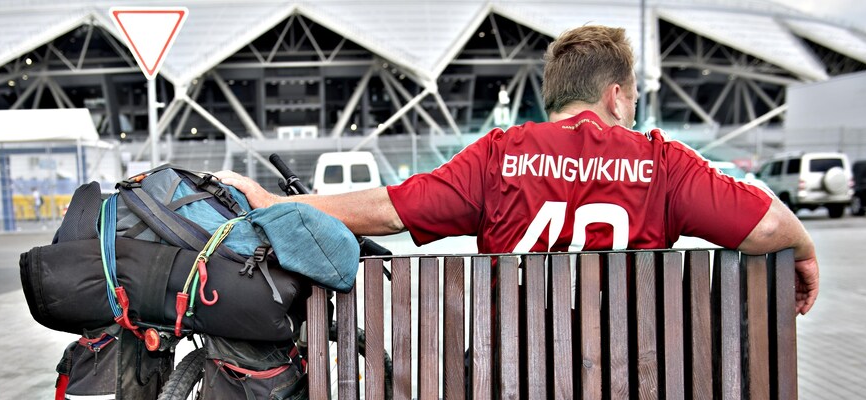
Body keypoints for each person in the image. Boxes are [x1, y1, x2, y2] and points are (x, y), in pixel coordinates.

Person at [217, 25, 819, 315]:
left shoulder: (499, 157)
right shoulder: (661, 164)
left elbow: (386, 211)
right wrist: (807, 251)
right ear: (615, 96)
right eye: (634, 98)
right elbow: (769, 227)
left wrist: (272, 202)